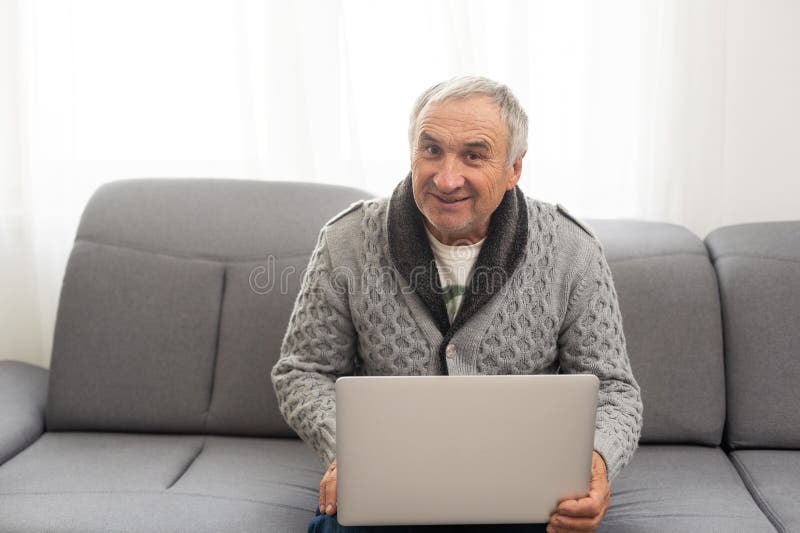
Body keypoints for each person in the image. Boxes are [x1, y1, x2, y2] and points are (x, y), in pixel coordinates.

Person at [271, 76, 643, 533]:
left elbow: (615, 390)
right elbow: (303, 370)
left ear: (514, 169)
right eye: (431, 150)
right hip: (389, 483)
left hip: (525, 490)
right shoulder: (344, 241)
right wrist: (347, 452)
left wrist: (597, 461)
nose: (447, 179)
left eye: (474, 155)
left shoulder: (574, 250)